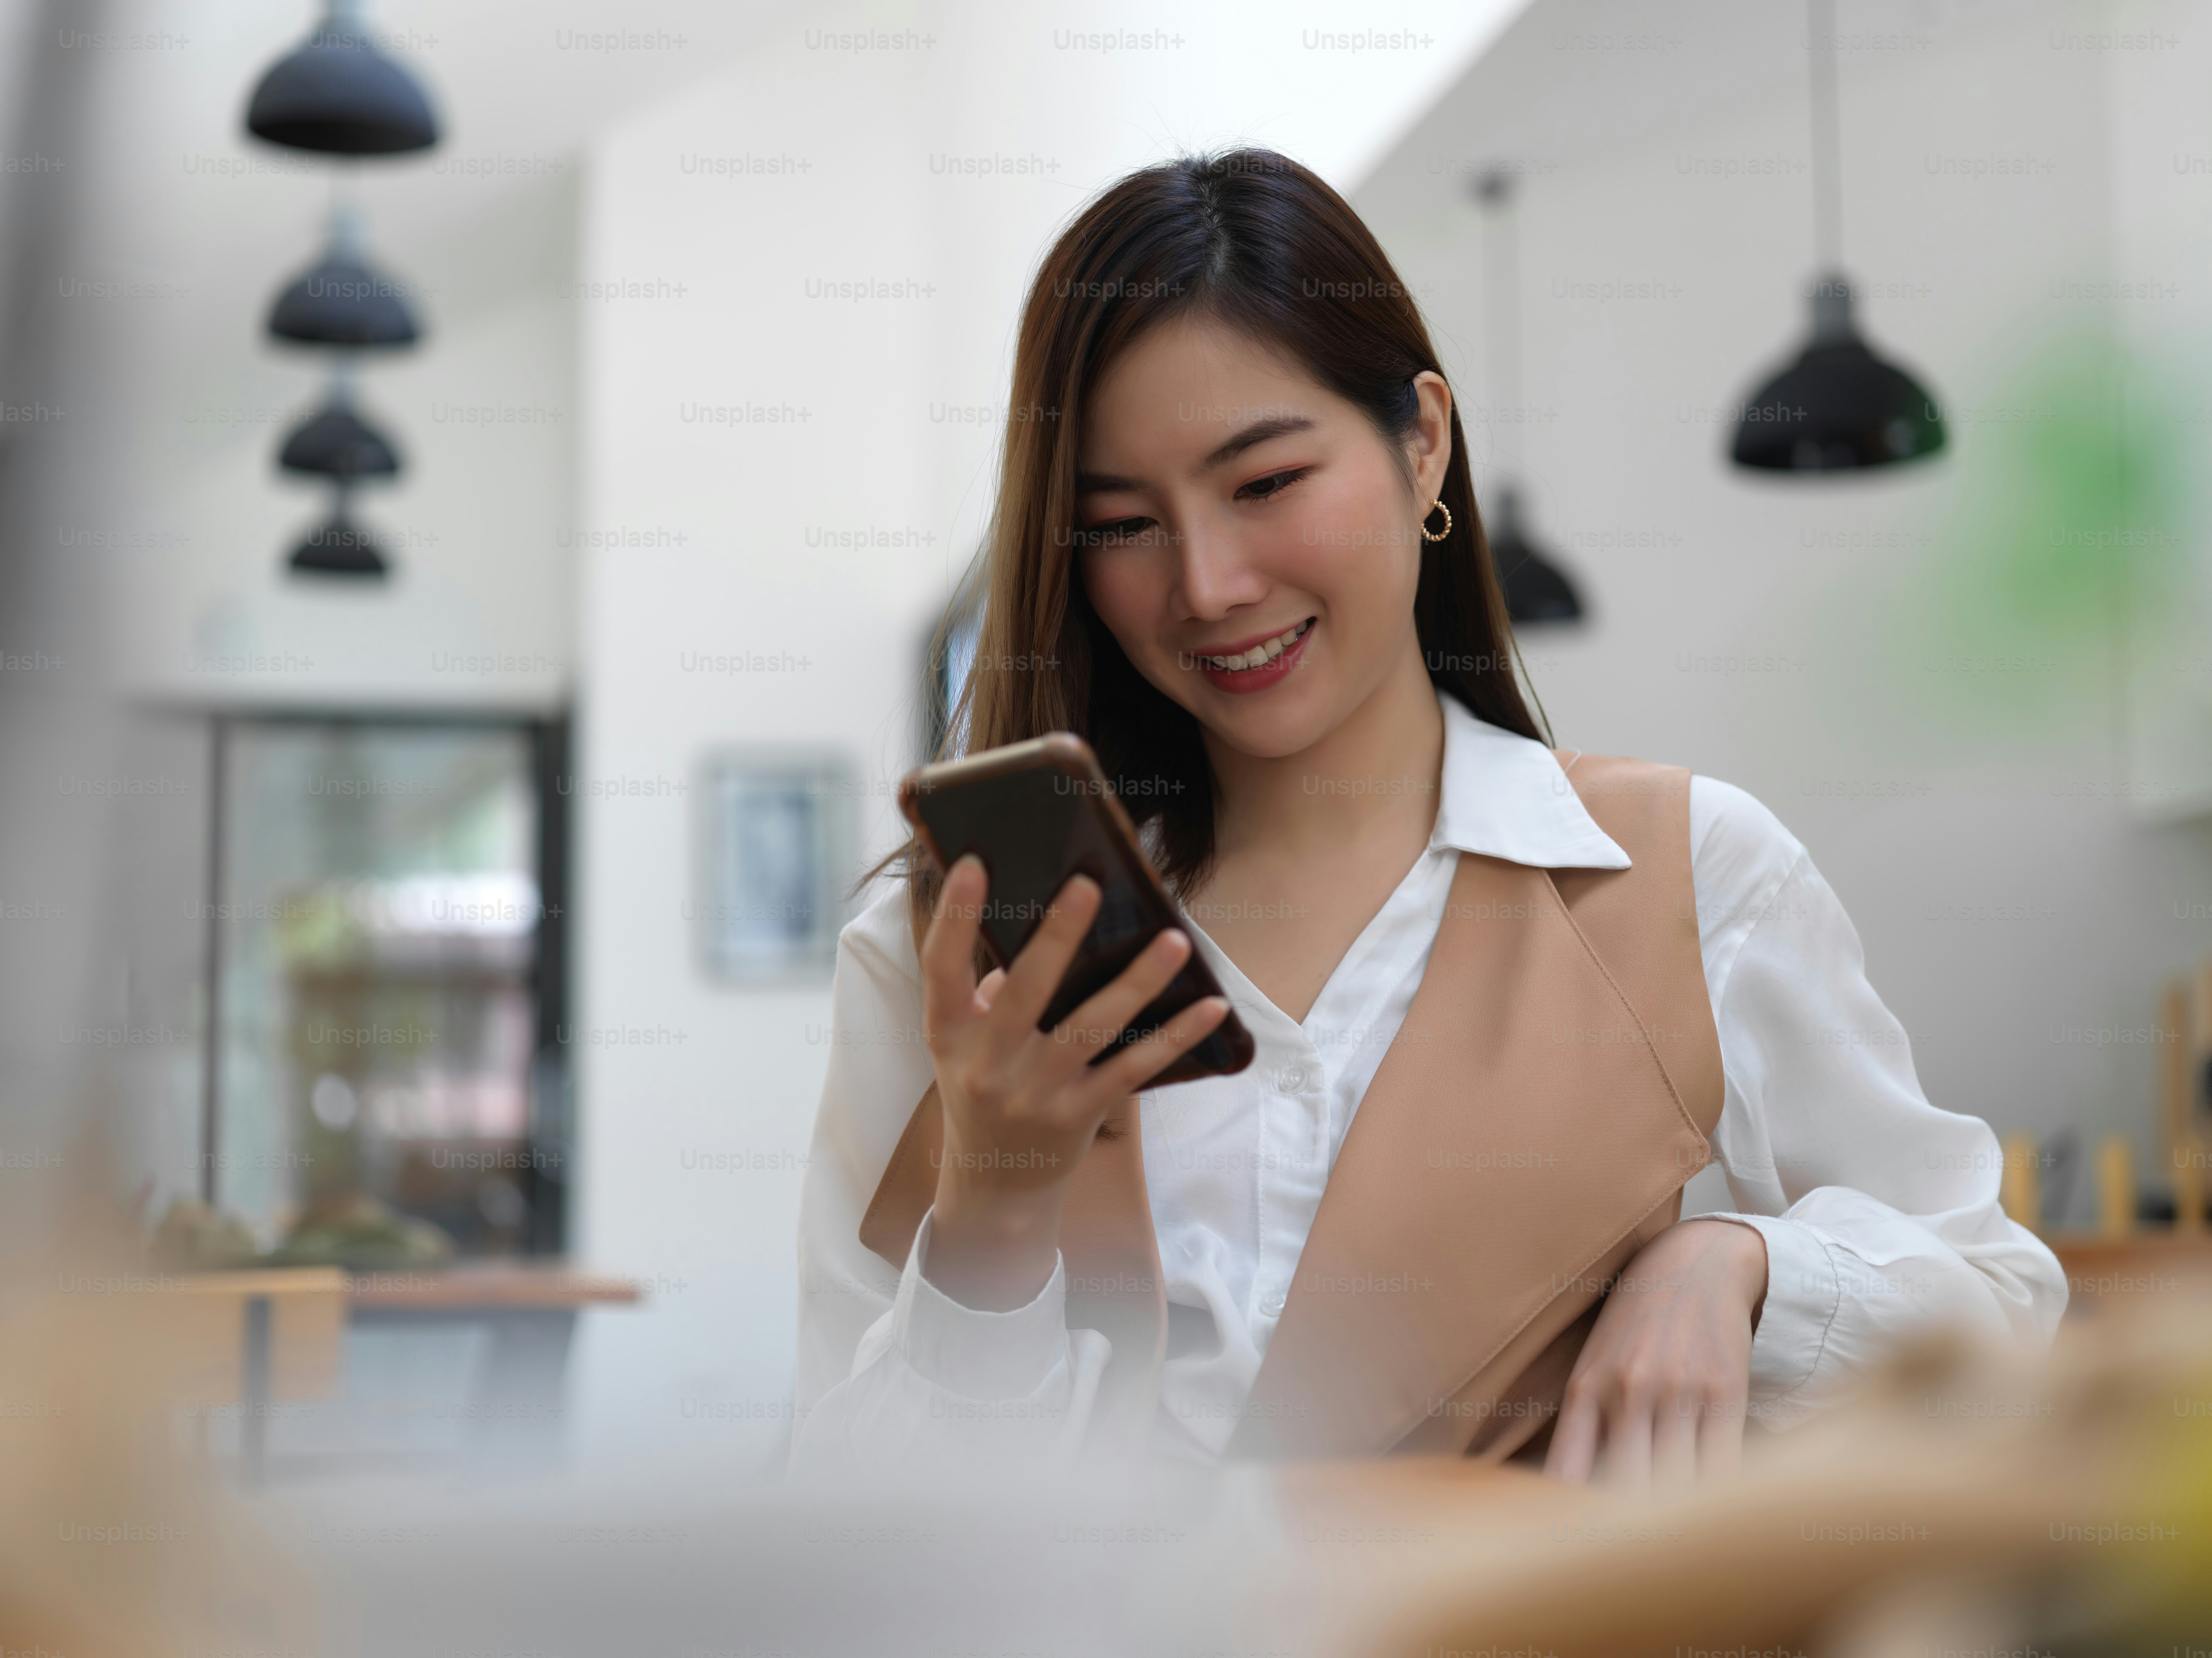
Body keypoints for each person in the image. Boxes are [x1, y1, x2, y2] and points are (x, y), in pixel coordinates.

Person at [789, 148, 2064, 1486]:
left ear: (1423, 440)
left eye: (1266, 483)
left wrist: (1742, 1265)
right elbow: (842, 1551)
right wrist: (991, 1215)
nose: (1209, 583)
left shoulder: (1690, 878)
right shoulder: (950, 948)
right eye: (1122, 526)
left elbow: (2002, 1319)